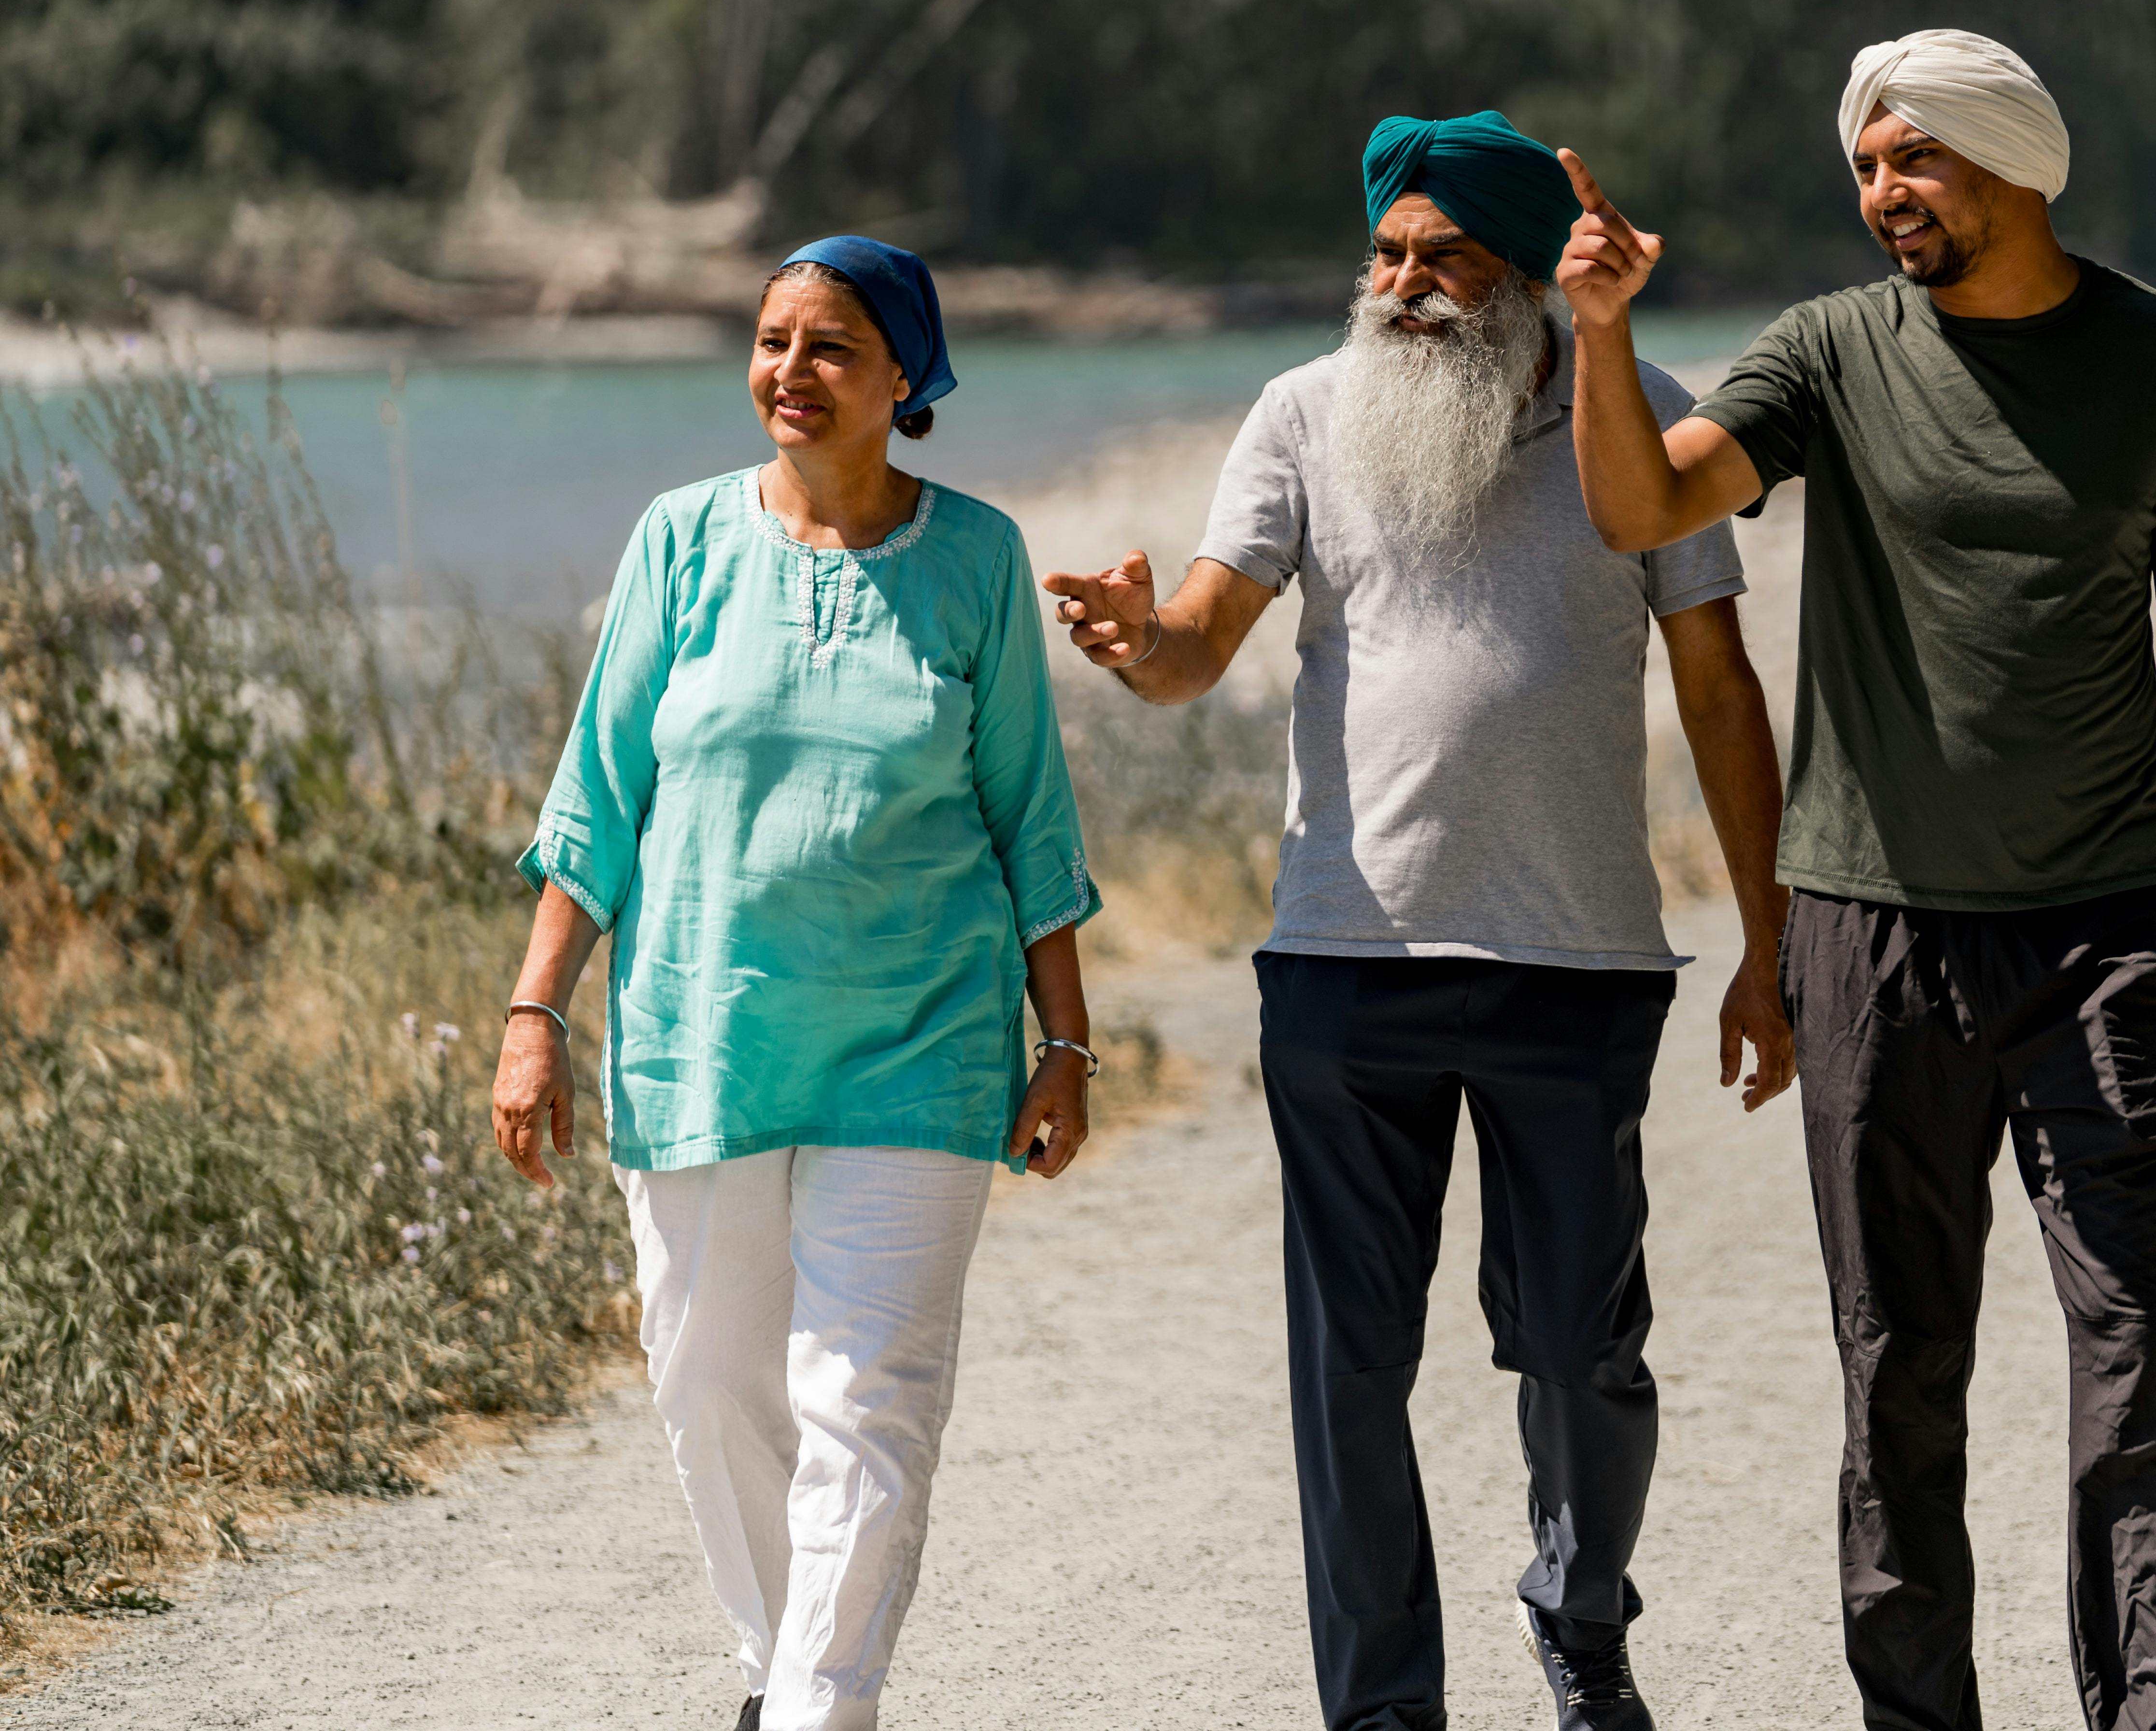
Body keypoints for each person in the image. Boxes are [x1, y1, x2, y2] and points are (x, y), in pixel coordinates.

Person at [1558, 31, 2156, 1731]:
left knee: (2137, 1353)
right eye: (1866, 165)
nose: (1882, 192)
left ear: (2013, 163)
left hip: (2110, 934)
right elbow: (1641, 508)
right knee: (1898, 1371)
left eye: (1914, 159)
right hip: (1871, 938)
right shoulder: (1829, 352)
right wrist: (1602, 335)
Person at [1038, 111, 1791, 1731]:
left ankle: (1583, 1616)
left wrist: (1768, 942)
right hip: (1344, 961)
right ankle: (1384, 1709)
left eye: (1442, 258)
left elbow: (1722, 691)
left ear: (1525, 277)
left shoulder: (1646, 415)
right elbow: (1200, 642)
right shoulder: (1305, 414)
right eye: (1385, 254)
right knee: (1350, 1368)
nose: (1402, 285)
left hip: (1578, 965)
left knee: (1584, 1350)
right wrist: (1139, 640)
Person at [489, 235, 1102, 1731]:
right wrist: (534, 1015)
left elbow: (1029, 816)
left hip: (919, 1049)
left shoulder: (977, 560)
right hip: (702, 1037)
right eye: (773, 341)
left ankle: (823, 1710)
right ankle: (784, 1677)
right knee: (709, 1391)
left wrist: (1067, 1043)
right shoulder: (679, 542)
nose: (791, 371)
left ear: (905, 379)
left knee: (867, 1405)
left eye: (831, 347)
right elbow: (598, 801)